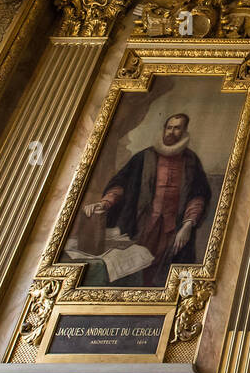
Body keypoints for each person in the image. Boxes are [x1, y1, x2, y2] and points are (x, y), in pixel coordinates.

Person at [81, 113, 210, 287]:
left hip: (174, 229)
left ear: (185, 131)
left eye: (177, 128)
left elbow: (198, 195)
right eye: (169, 127)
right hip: (142, 226)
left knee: (165, 278)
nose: (171, 132)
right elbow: (122, 185)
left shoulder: (191, 161)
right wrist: (105, 203)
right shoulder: (143, 157)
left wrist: (187, 225)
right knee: (134, 270)